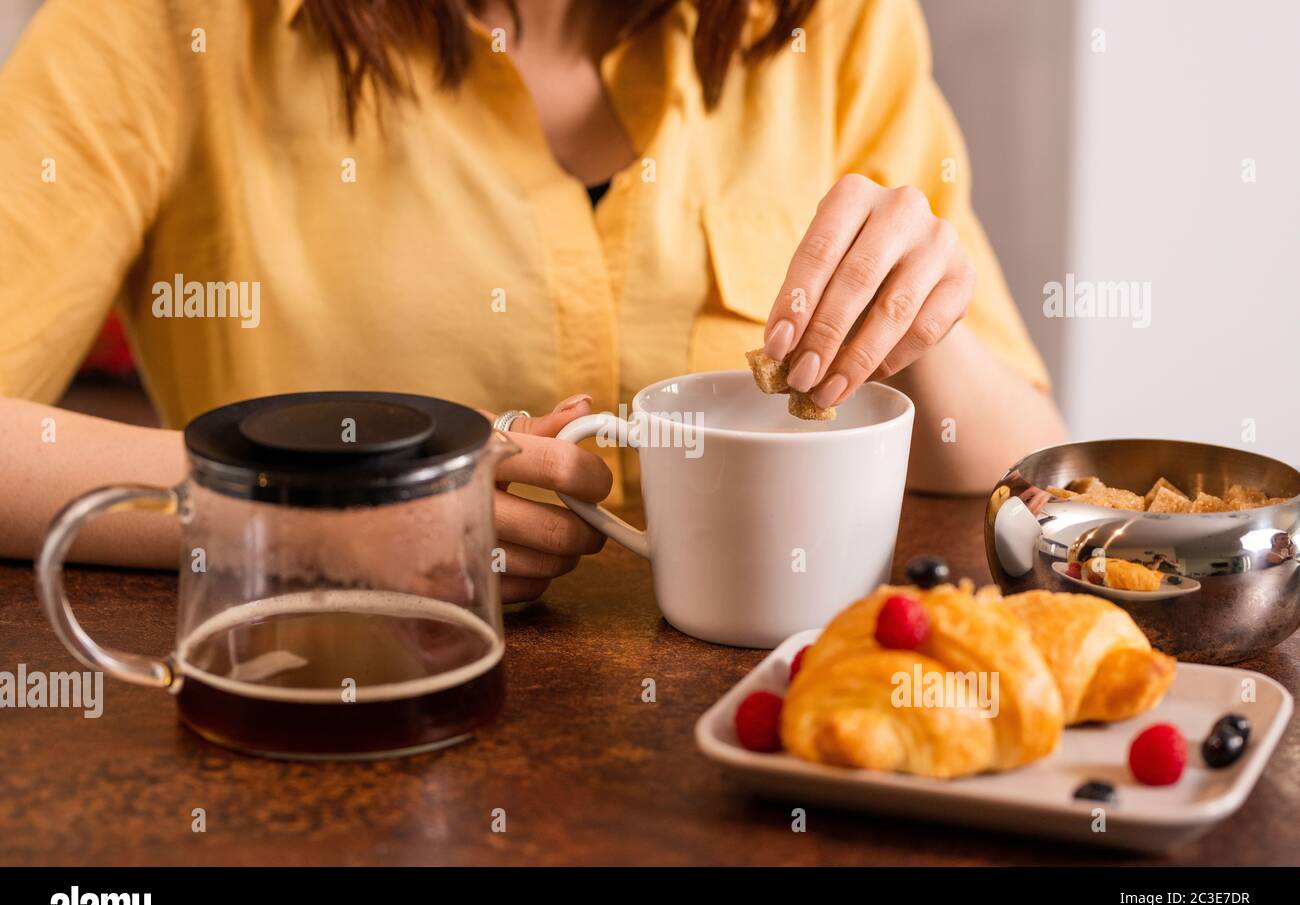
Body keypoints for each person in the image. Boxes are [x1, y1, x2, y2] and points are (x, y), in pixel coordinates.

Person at [0, 0, 1066, 602]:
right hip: (332, 731)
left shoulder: (835, 25)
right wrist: (300, 519)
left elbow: (1024, 472)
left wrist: (920, 330)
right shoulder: (163, 24)